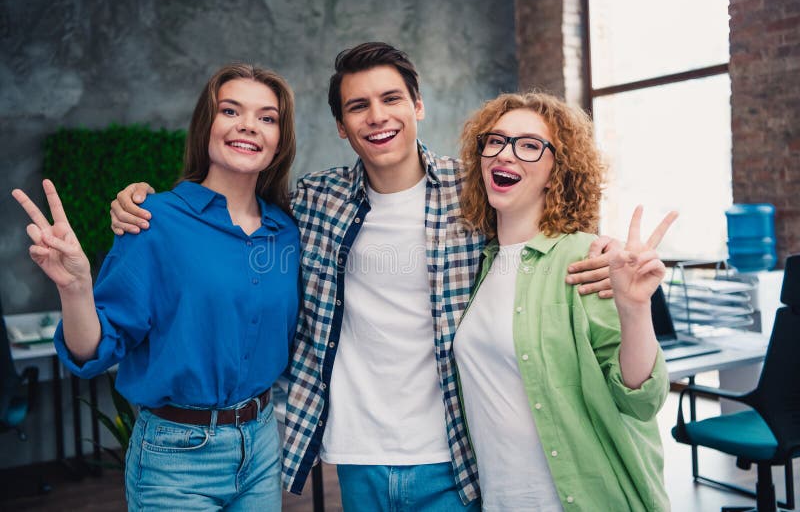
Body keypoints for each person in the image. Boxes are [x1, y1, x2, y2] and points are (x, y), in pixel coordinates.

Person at [108, 43, 617, 510]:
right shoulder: (312, 202)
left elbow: (543, 223)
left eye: (391, 98)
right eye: (357, 106)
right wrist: (144, 202)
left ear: (417, 106)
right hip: (356, 452)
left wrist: (602, 253)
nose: (377, 117)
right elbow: (233, 212)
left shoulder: (473, 194)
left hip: (454, 453)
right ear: (341, 126)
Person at [12, 63, 300, 511]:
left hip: (262, 446)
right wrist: (75, 288)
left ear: (280, 139)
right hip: (176, 457)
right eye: (231, 110)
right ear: (207, 125)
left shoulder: (287, 230)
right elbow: (94, 351)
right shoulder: (153, 220)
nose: (248, 125)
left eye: (267, 117)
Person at [454, 91, 675, 511]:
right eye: (496, 141)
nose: (505, 155)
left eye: (530, 146)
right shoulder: (481, 265)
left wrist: (635, 309)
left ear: (558, 170)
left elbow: (641, 399)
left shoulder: (585, 258)